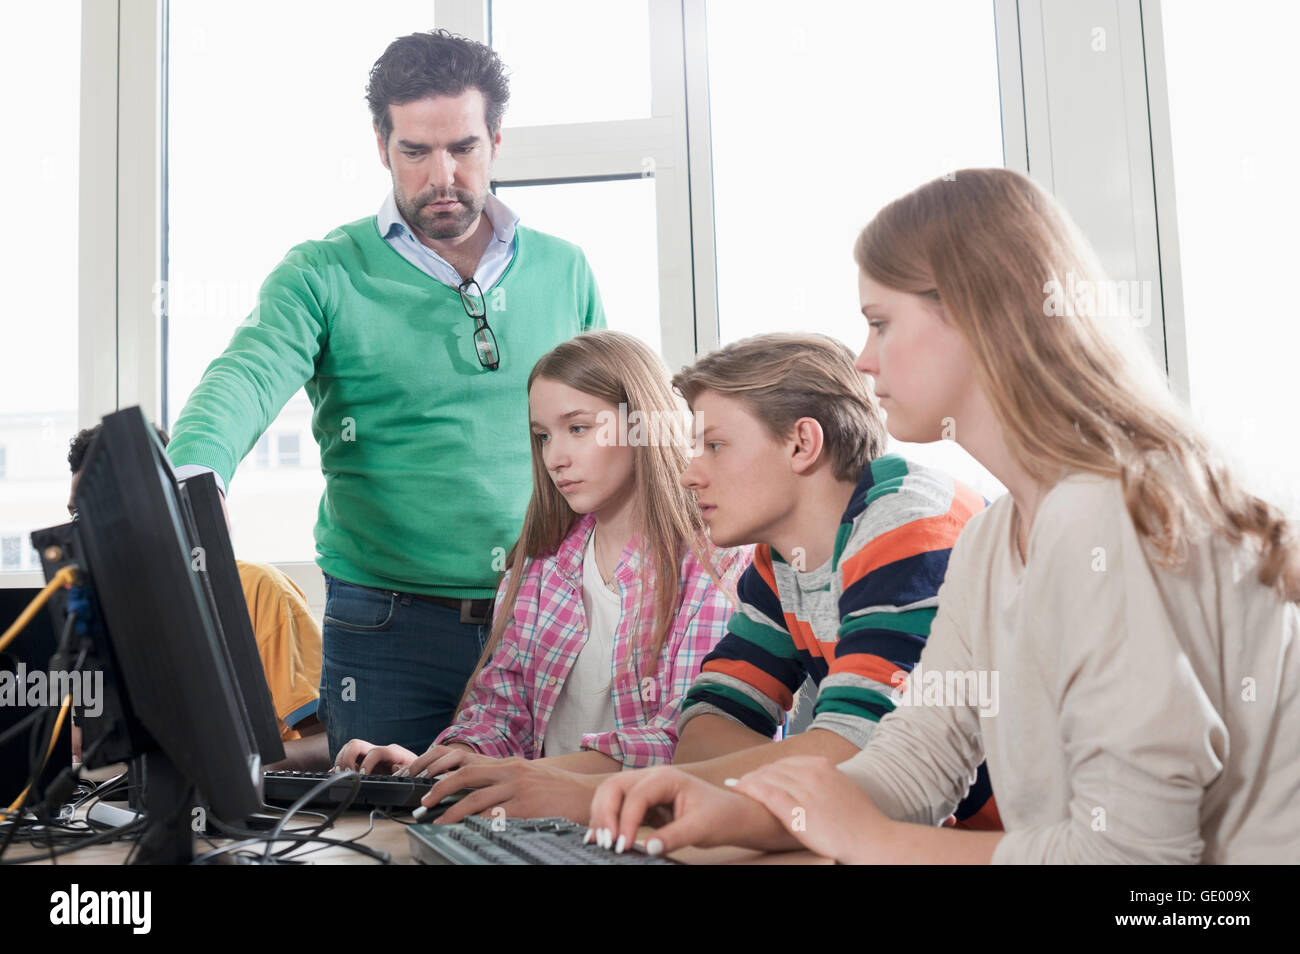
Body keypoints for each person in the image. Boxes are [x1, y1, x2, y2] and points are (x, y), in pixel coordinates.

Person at [587, 167, 1300, 863]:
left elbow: (1136, 862)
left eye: (880, 323)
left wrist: (869, 841)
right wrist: (736, 810)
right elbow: (917, 763)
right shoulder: (995, 537)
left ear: (973, 312)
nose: (863, 361)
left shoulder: (1106, 516)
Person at [163, 30, 606, 760]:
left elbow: (611, 420)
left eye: (464, 148)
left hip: (546, 611)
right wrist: (191, 481)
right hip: (385, 628)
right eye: (415, 152)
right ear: (381, 145)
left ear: (496, 139)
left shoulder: (565, 270)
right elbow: (246, 373)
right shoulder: (324, 272)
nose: (443, 175)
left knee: (541, 829)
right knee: (385, 828)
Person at [332, 331, 750, 823]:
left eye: (578, 429)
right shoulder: (538, 568)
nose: (556, 457)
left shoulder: (717, 568)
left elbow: (687, 742)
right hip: (539, 830)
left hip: (659, 833)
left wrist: (524, 778)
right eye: (544, 436)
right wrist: (448, 766)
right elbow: (498, 712)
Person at [67, 424, 329, 771]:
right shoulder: (94, 614)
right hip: (132, 808)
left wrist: (237, 768)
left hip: (256, 812)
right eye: (77, 514)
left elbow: (328, 746)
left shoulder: (260, 591)